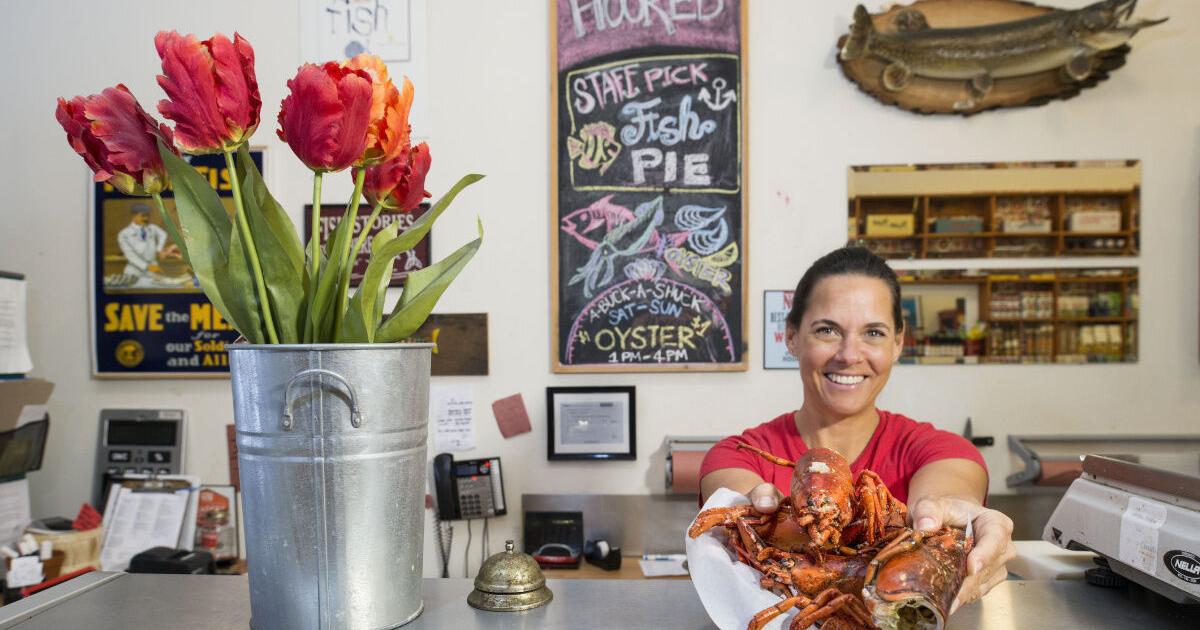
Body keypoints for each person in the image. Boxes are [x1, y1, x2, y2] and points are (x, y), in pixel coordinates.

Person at [699, 246, 1015, 613]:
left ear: (898, 342)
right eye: (827, 330)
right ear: (791, 336)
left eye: (874, 333)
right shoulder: (737, 456)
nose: (849, 354)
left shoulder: (942, 451)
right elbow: (742, 537)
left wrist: (942, 519)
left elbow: (943, 502)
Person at [115, 202, 181, 288]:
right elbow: (130, 256)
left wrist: (158, 249)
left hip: (153, 270)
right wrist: (147, 267)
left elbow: (163, 234)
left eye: (147, 216)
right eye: (143, 216)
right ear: (134, 215)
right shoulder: (124, 234)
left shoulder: (152, 228)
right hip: (135, 272)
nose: (146, 218)